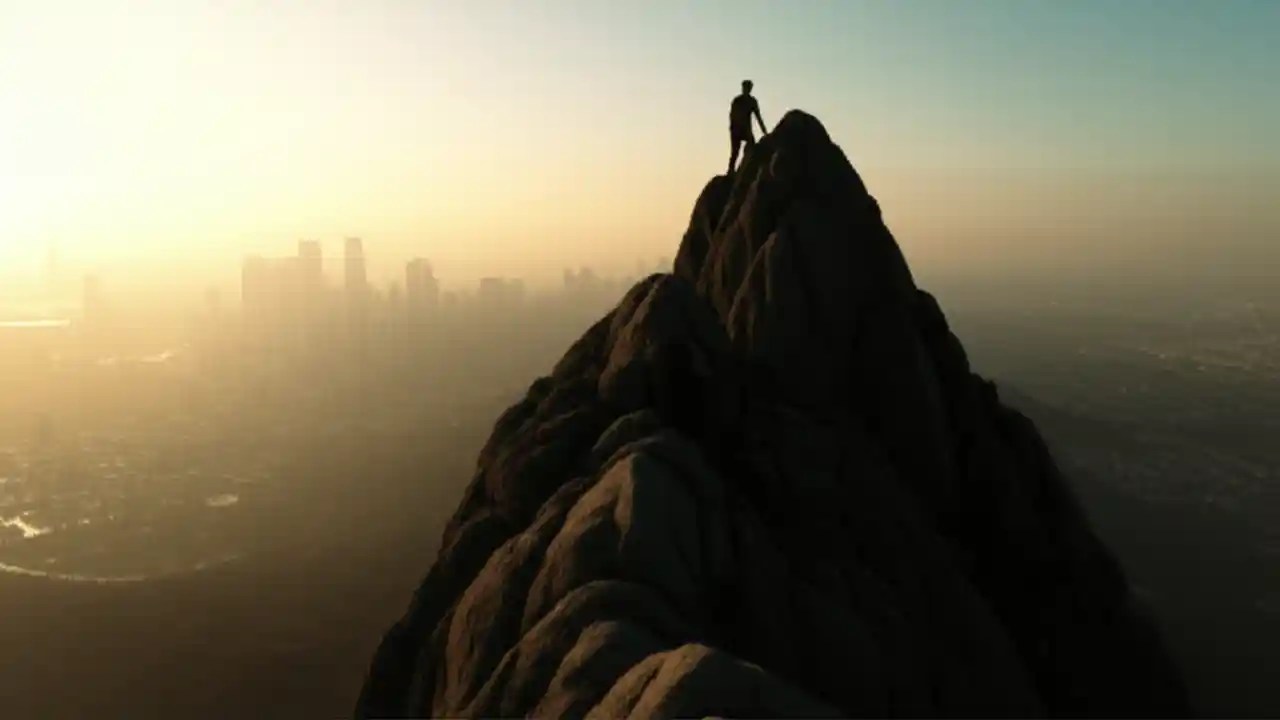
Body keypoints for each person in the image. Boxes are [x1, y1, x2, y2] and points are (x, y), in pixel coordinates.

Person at [728, 79, 768, 173]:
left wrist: (763, 129)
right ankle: (731, 169)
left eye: (749, 88)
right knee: (735, 151)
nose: (747, 89)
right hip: (736, 129)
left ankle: (749, 166)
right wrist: (733, 127)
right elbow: (732, 115)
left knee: (752, 146)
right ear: (743, 88)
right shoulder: (737, 100)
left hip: (746, 129)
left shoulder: (752, 101)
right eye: (745, 88)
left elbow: (758, 116)